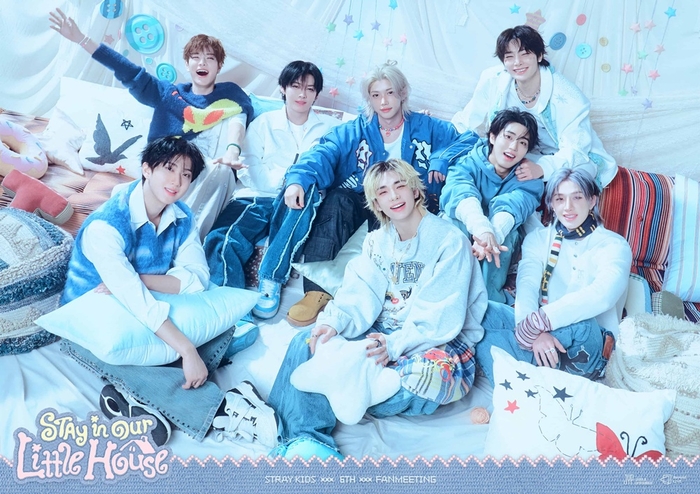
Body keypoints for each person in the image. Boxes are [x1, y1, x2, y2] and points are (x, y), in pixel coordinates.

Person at [60, 137, 277, 448]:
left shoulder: (181, 217)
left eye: (186, 174)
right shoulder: (106, 226)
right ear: (147, 169)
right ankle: (221, 409)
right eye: (169, 168)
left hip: (141, 302)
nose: (177, 181)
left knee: (215, 322)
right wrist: (187, 350)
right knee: (132, 352)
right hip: (89, 318)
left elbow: (197, 278)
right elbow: (137, 302)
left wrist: (141, 279)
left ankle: (136, 400)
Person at [267, 159, 487, 460]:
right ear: (376, 203)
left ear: (414, 190)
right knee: (307, 342)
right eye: (383, 192)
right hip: (380, 333)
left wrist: (394, 346)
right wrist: (334, 323)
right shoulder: (376, 242)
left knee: (429, 377)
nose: (394, 196)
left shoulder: (450, 241)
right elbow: (359, 294)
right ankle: (309, 441)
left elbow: (440, 316)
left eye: (400, 186)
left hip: (434, 341)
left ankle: (329, 399)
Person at [252, 60, 471, 324]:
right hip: (365, 201)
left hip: (408, 205)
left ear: (402, 93)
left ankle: (386, 297)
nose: (384, 102)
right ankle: (317, 291)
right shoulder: (357, 129)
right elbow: (324, 152)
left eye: (390, 92)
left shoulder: (427, 126)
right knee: (336, 200)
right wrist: (298, 179)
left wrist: (441, 158)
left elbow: (469, 140)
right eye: (376, 95)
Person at [49, 8, 254, 237]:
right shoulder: (169, 94)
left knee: (222, 171)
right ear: (187, 64)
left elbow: (238, 118)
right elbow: (129, 71)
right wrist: (81, 39)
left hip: (207, 173)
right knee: (120, 214)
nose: (202, 63)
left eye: (210, 58)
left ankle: (183, 238)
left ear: (219, 65)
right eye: (196, 57)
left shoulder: (230, 95)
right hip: (165, 167)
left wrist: (232, 152)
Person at [475, 167, 632, 385]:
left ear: (592, 200)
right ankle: (528, 374)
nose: (568, 207)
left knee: (583, 325)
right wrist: (535, 334)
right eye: (559, 199)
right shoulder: (538, 239)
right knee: (481, 310)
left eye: (577, 197)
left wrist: (539, 323)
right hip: (539, 334)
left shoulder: (614, 245)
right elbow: (527, 285)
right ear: (551, 203)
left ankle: (503, 359)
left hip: (588, 342)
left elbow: (602, 295)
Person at [203, 60, 339, 289]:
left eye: (310, 89)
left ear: (316, 94)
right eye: (296, 86)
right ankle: (231, 301)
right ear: (283, 88)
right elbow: (248, 164)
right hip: (256, 196)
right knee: (221, 240)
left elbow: (328, 168)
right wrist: (284, 183)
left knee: (307, 191)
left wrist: (295, 186)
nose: (302, 94)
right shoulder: (263, 123)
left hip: (298, 203)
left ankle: (270, 281)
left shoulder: (329, 129)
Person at [450, 25, 617, 189]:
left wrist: (541, 168)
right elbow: (468, 119)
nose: (517, 62)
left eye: (525, 54)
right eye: (509, 56)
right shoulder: (493, 79)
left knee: (569, 182)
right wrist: (443, 143)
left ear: (539, 56)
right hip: (519, 151)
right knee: (477, 162)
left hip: (568, 158)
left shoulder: (570, 97)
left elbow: (576, 149)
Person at [441, 108, 543, 303]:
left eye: (522, 143)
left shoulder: (529, 179)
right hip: (470, 226)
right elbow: (460, 194)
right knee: (451, 221)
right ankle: (446, 295)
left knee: (508, 236)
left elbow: (512, 207)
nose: (513, 147)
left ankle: (488, 302)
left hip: (499, 237)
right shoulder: (466, 163)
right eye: (508, 137)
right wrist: (482, 230)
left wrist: (490, 239)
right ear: (493, 137)